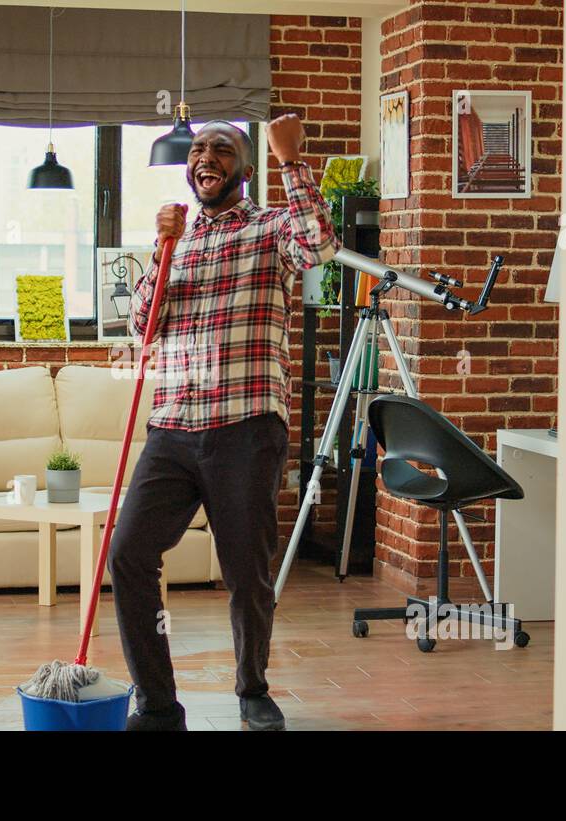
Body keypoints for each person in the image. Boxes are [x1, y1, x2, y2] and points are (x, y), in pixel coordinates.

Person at [109, 114, 340, 731]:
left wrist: (292, 162)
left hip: (245, 428)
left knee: (246, 571)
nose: (205, 156)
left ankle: (252, 690)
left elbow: (321, 246)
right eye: (198, 149)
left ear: (243, 165)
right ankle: (157, 702)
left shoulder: (270, 229)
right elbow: (142, 329)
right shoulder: (174, 239)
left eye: (222, 148)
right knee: (128, 554)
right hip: (173, 427)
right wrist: (161, 251)